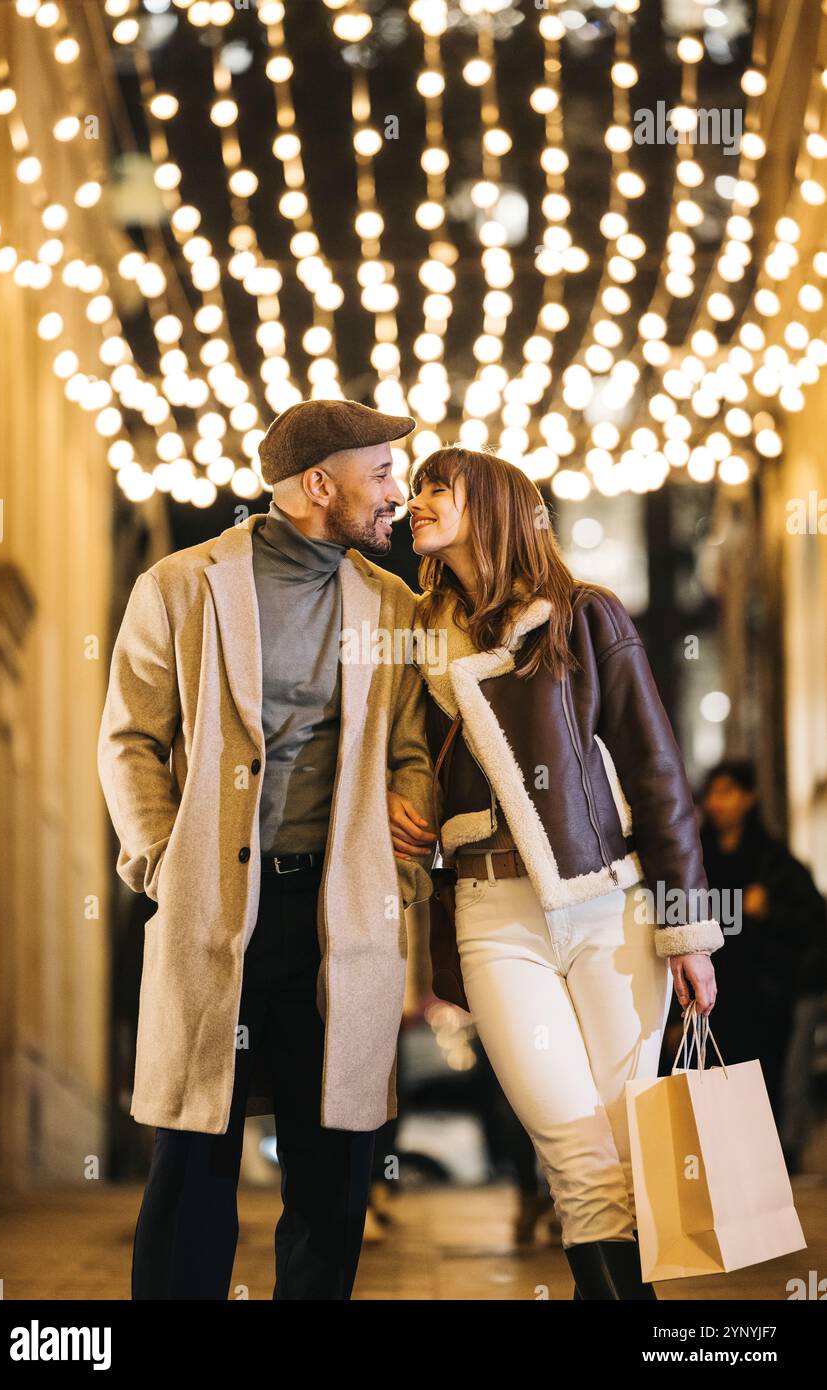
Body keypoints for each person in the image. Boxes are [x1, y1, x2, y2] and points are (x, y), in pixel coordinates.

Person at [97, 398, 437, 1299]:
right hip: (216, 907)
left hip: (337, 912)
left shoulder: (391, 603)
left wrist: (406, 835)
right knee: (192, 1155)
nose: (396, 495)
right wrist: (160, 859)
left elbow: (411, 748)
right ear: (318, 486)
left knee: (334, 1167)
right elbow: (129, 738)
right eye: (383, 475)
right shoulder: (181, 585)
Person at [388, 445, 725, 1301]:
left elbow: (655, 771)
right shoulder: (411, 634)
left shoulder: (584, 616)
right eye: (414, 488)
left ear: (493, 506)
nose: (416, 501)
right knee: (572, 1145)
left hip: (610, 907)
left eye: (436, 488)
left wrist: (689, 931)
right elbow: (397, 752)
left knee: (622, 1139)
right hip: (490, 913)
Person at [700, 759, 827, 1167]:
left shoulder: (772, 860)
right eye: (714, 793)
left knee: (761, 1091)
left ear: (749, 797)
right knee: (710, 1097)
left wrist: (769, 909)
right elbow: (672, 913)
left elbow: (813, 921)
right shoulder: (695, 859)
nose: (718, 803)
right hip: (708, 1001)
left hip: (763, 1003)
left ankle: (765, 1177)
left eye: (728, 792)